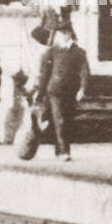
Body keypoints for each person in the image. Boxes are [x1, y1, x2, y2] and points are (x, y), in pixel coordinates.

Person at [34, 24, 90, 161]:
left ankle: (60, 150)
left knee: (67, 121)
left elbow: (85, 72)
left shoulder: (79, 52)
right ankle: (64, 152)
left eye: (66, 32)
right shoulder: (52, 51)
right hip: (55, 91)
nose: (64, 35)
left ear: (71, 34)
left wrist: (83, 89)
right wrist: (39, 91)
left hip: (71, 92)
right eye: (61, 32)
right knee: (60, 120)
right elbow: (44, 73)